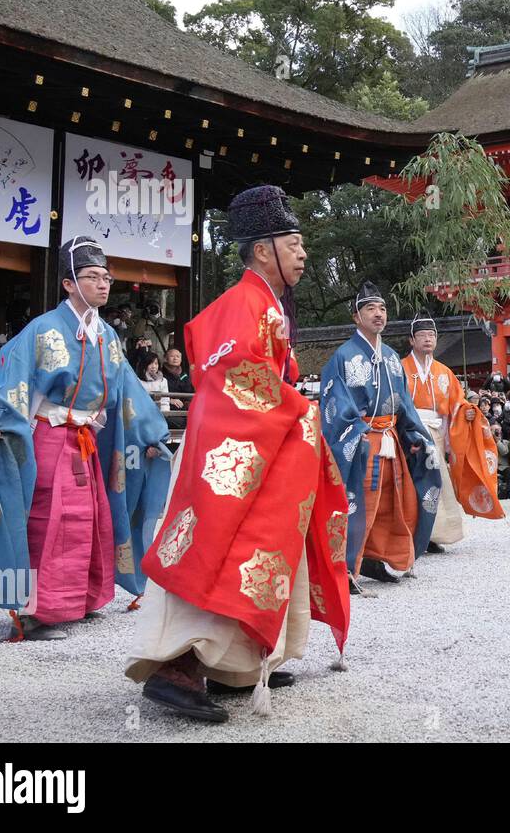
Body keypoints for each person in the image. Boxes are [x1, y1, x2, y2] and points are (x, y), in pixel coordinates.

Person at [126, 185, 350, 722]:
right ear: (261, 249)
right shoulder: (244, 302)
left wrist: (291, 410)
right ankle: (176, 666)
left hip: (257, 447)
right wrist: (298, 409)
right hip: (228, 455)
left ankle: (236, 666)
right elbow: (232, 377)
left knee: (258, 552)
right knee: (214, 548)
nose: (302, 254)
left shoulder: (265, 304)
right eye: (293, 244)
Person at [0, 237, 171, 642]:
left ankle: (81, 600)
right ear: (69, 284)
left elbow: (128, 390)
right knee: (47, 519)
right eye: (92, 277)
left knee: (89, 518)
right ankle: (35, 611)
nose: (103, 284)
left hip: (86, 442)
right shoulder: (41, 331)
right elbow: (12, 379)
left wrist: (152, 432)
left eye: (107, 277)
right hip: (49, 438)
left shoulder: (107, 335)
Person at [320, 282, 441, 586]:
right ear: (356, 317)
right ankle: (345, 567)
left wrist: (415, 435)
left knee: (391, 502)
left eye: (382, 308)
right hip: (362, 440)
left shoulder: (390, 358)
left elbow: (405, 403)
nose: (378, 314)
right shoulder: (343, 357)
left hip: (391, 438)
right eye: (370, 309)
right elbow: (334, 403)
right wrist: (356, 433)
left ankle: (375, 558)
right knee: (358, 502)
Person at [402, 315, 503, 554]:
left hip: (436, 433)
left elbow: (457, 402)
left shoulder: (444, 372)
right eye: (422, 335)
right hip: (409, 432)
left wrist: (466, 412)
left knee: (438, 483)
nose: (428, 339)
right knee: (409, 483)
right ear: (411, 340)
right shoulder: (399, 368)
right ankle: (409, 534)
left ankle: (433, 535)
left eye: (432, 335)